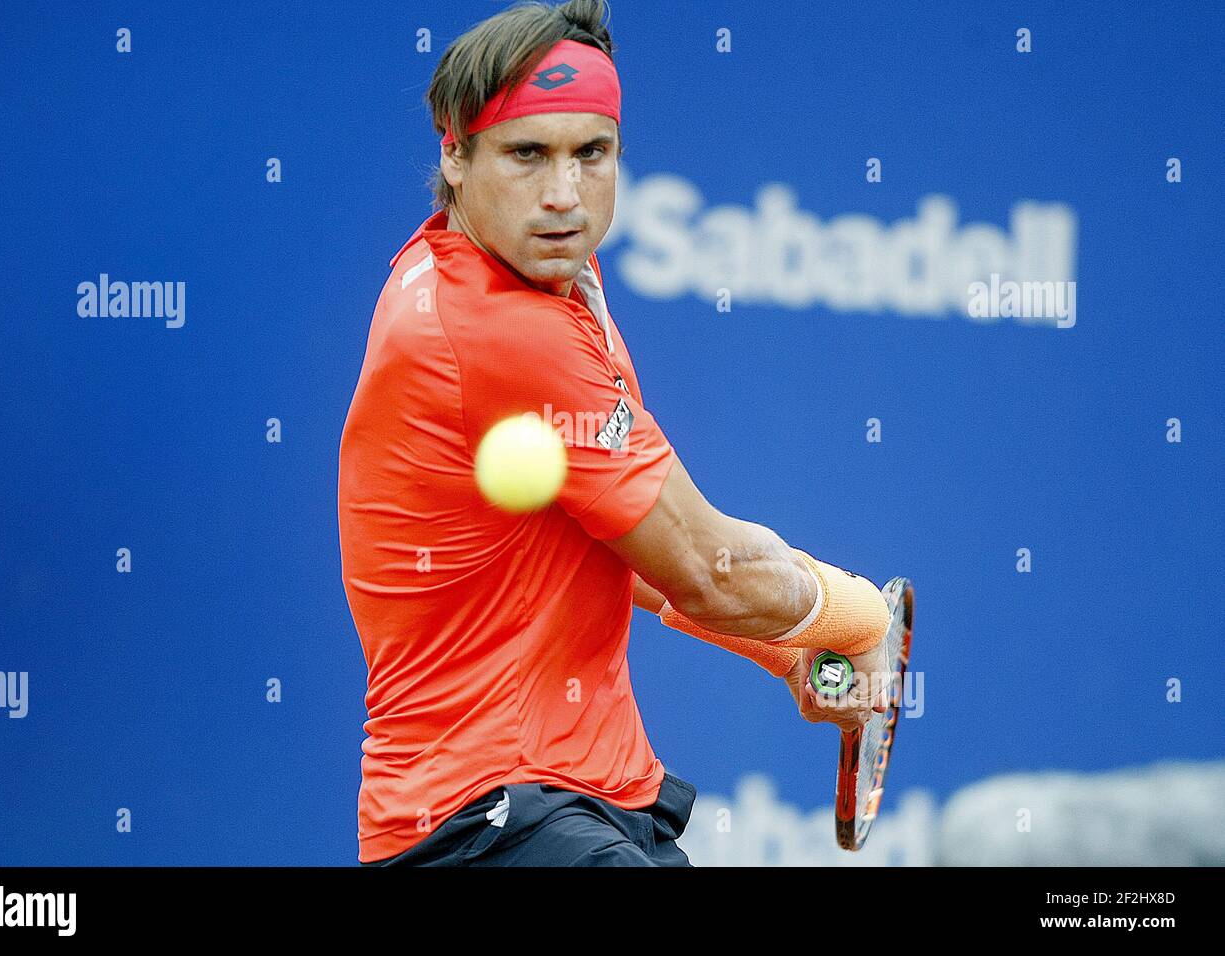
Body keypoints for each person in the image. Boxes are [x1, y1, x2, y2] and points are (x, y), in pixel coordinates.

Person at [338, 0, 892, 867]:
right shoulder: (503, 331)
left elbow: (619, 546)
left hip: (580, 795)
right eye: (527, 154)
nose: (563, 195)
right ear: (454, 154)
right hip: (490, 817)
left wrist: (786, 650)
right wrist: (857, 619)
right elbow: (707, 566)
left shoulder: (517, 270)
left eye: (590, 154)